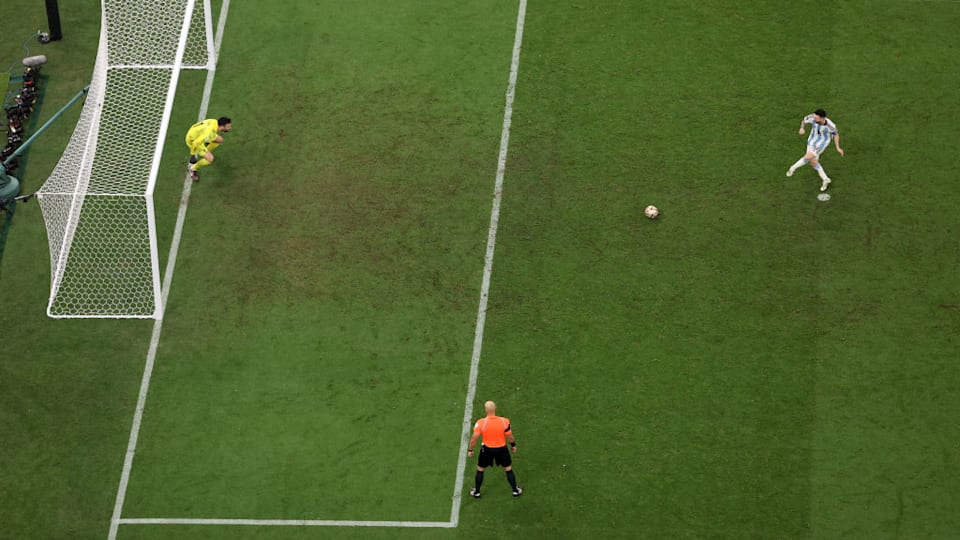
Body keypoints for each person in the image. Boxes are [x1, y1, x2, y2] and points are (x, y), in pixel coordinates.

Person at [467, 401, 522, 498]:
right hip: (502, 449)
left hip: (487, 450)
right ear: (495, 408)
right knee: (508, 469)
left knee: (480, 469)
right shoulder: (504, 421)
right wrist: (513, 445)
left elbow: (473, 439)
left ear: (485, 410)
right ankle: (515, 490)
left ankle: (477, 492)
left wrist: (470, 450)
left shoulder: (481, 423)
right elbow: (510, 436)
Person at [786, 108, 844, 191]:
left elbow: (836, 135)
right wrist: (802, 128)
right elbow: (804, 121)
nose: (814, 119)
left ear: (822, 118)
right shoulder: (812, 117)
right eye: (814, 117)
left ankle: (792, 168)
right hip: (811, 141)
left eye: (816, 118)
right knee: (813, 163)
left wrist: (838, 147)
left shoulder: (830, 125)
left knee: (808, 156)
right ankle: (825, 179)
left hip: (821, 144)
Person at [185, 116, 232, 181]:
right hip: (193, 140)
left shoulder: (214, 122)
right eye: (228, 127)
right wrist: (192, 155)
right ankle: (192, 168)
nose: (230, 128)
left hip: (197, 134)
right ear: (222, 127)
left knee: (220, 140)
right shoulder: (209, 132)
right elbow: (195, 143)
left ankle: (205, 150)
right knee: (210, 159)